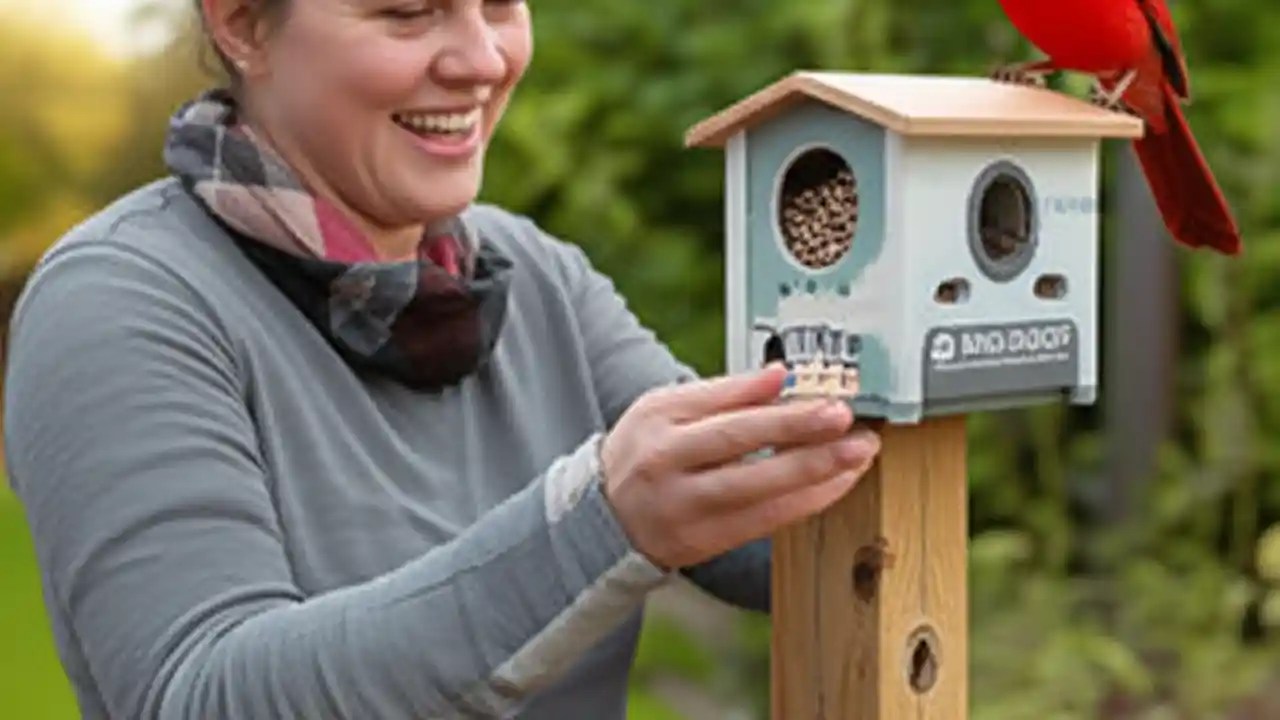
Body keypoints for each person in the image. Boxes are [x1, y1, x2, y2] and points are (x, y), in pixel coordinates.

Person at [2, 1, 882, 717]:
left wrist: (920, 384)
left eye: (499, 3)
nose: (481, 58)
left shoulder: (531, 274)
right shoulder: (124, 302)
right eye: (408, 13)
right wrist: (597, 519)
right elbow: (202, 694)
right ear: (239, 23)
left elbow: (769, 529)